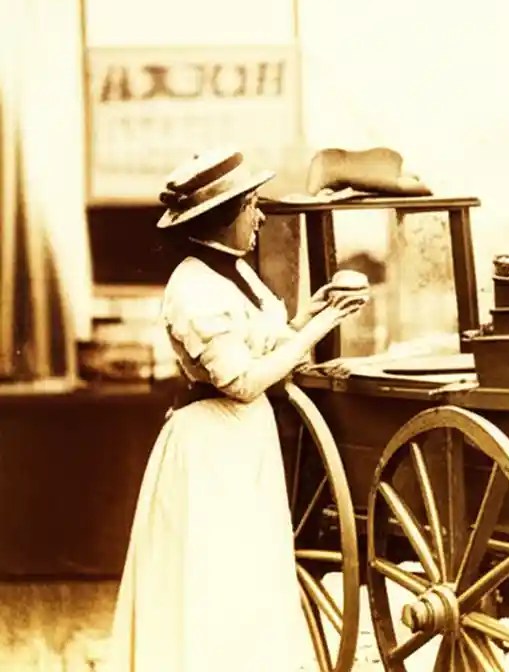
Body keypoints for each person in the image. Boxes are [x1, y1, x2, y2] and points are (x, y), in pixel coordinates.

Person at [106, 150, 368, 671]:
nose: (261, 216)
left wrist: (310, 313)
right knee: (214, 579)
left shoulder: (235, 273)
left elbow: (265, 344)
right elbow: (242, 380)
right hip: (210, 447)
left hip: (245, 443)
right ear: (221, 216)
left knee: (249, 576)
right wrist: (318, 330)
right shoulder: (194, 286)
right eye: (251, 205)